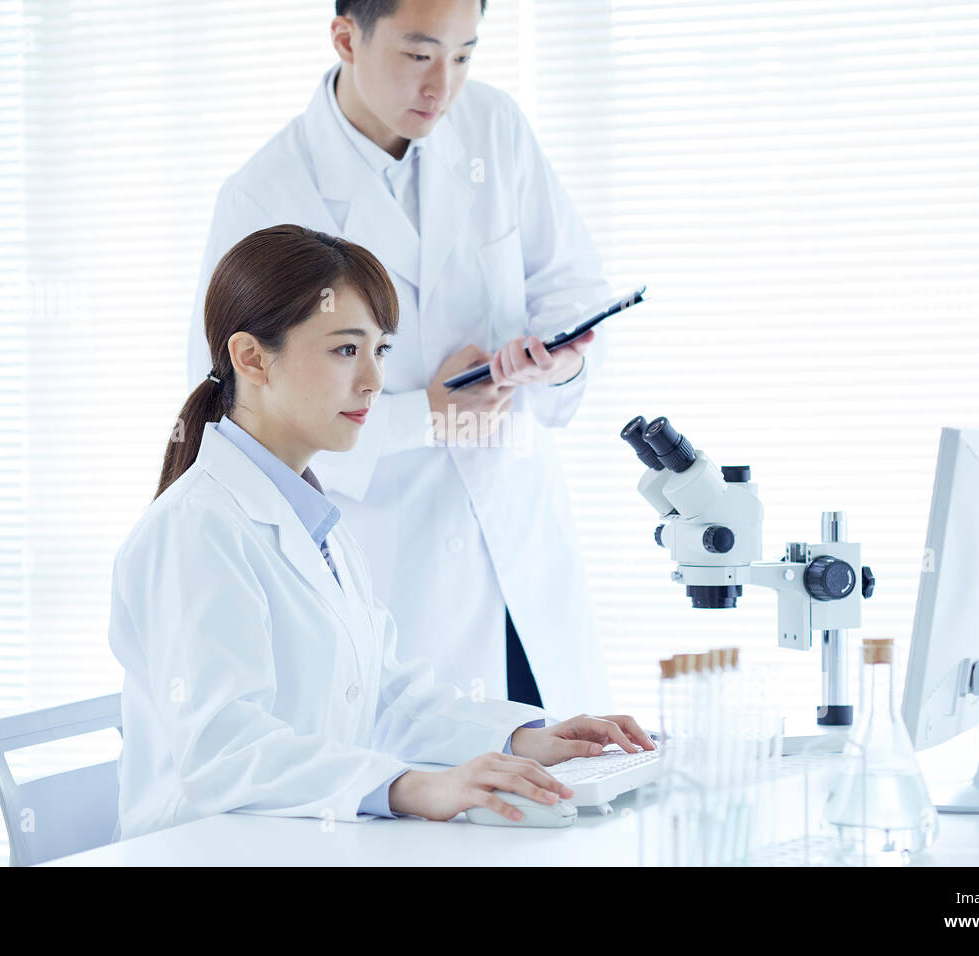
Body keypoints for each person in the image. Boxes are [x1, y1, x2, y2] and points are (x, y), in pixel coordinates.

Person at [111, 225, 652, 841]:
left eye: (381, 350)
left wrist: (529, 740)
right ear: (252, 358)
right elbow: (227, 751)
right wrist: (414, 787)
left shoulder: (316, 523)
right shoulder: (194, 531)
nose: (373, 380)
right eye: (346, 350)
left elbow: (386, 699)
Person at [187, 0, 613, 717]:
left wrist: (555, 362)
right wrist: (429, 415)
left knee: (565, 778)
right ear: (346, 37)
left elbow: (570, 282)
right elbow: (248, 410)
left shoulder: (493, 128)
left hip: (520, 546)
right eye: (418, 55)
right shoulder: (266, 194)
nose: (442, 86)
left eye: (464, 55)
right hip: (393, 566)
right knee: (433, 789)